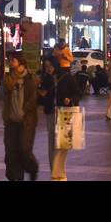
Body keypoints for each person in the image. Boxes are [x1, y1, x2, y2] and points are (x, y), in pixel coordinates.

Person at [38, 45, 81, 180]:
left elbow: (77, 93)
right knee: (52, 143)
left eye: (50, 66)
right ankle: (55, 173)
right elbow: (41, 98)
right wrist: (41, 95)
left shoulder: (67, 77)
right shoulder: (46, 79)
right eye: (46, 67)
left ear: (56, 65)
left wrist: (70, 99)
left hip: (65, 112)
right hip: (51, 112)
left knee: (62, 144)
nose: (48, 69)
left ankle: (59, 173)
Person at [2, 53, 39, 181]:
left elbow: (33, 99)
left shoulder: (30, 78)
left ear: (21, 63)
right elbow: (6, 89)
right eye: (10, 60)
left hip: (26, 122)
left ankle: (32, 168)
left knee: (24, 150)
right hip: (11, 121)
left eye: (13, 60)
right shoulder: (8, 78)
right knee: (11, 152)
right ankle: (16, 178)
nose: (11, 62)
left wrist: (24, 110)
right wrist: (13, 78)